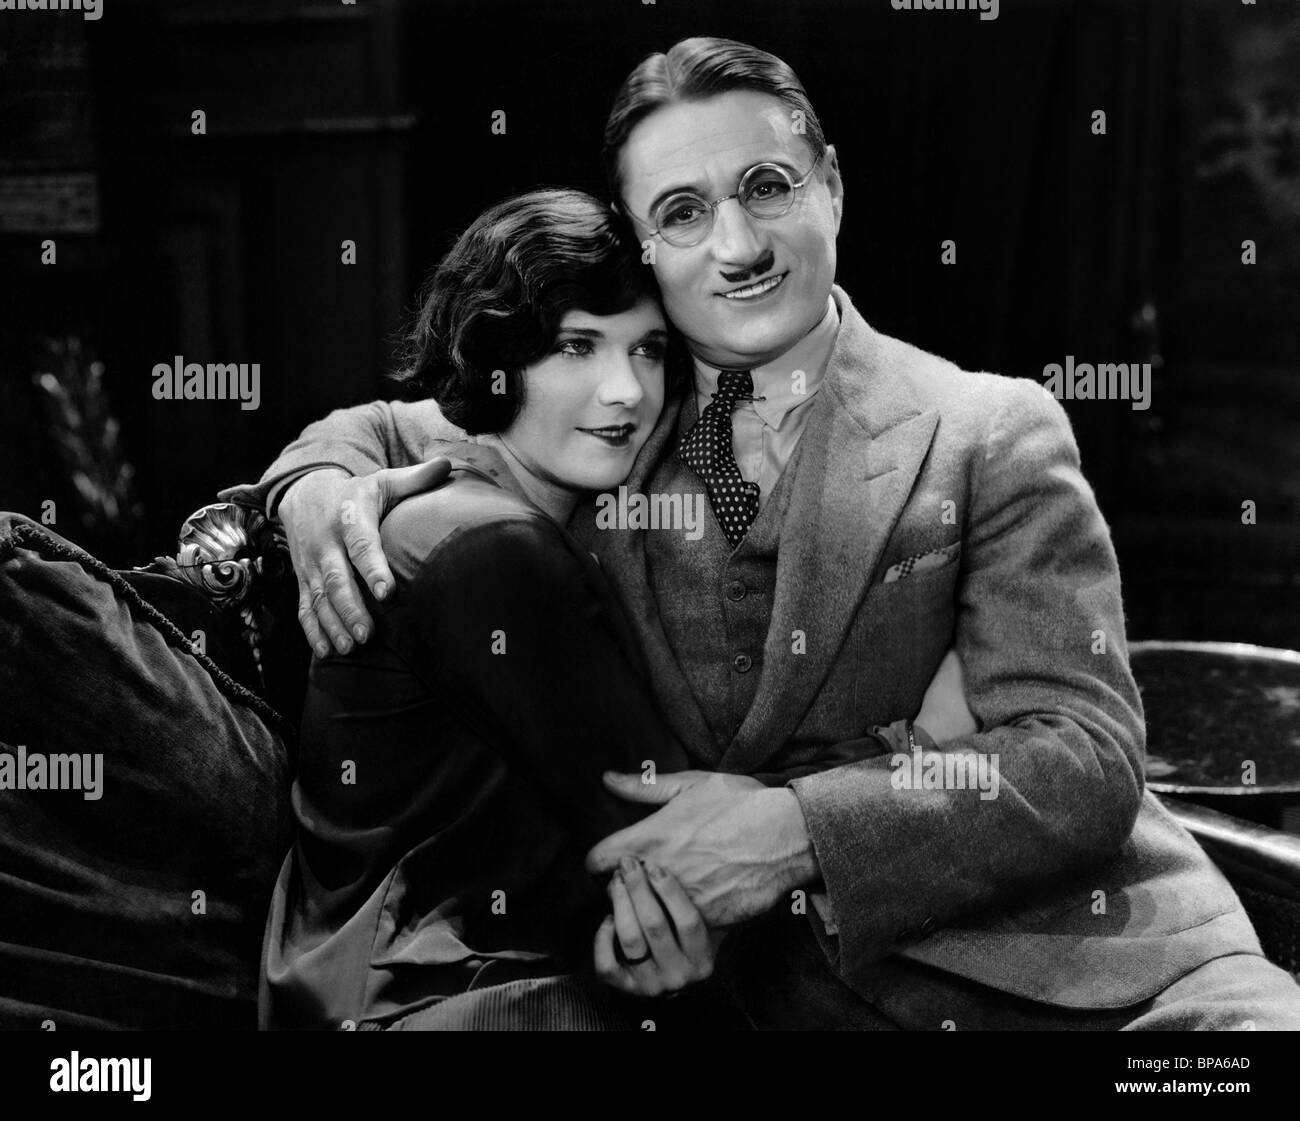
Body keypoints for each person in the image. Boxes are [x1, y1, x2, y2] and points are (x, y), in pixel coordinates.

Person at [230, 38, 1300, 1028]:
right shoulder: (596, 411)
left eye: (767, 187)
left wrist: (795, 829)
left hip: (1072, 959)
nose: (736, 246)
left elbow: (1084, 756)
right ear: (641, 238)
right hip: (768, 988)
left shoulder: (991, 430)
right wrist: (314, 489)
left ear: (830, 181)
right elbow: (376, 425)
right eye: (684, 211)